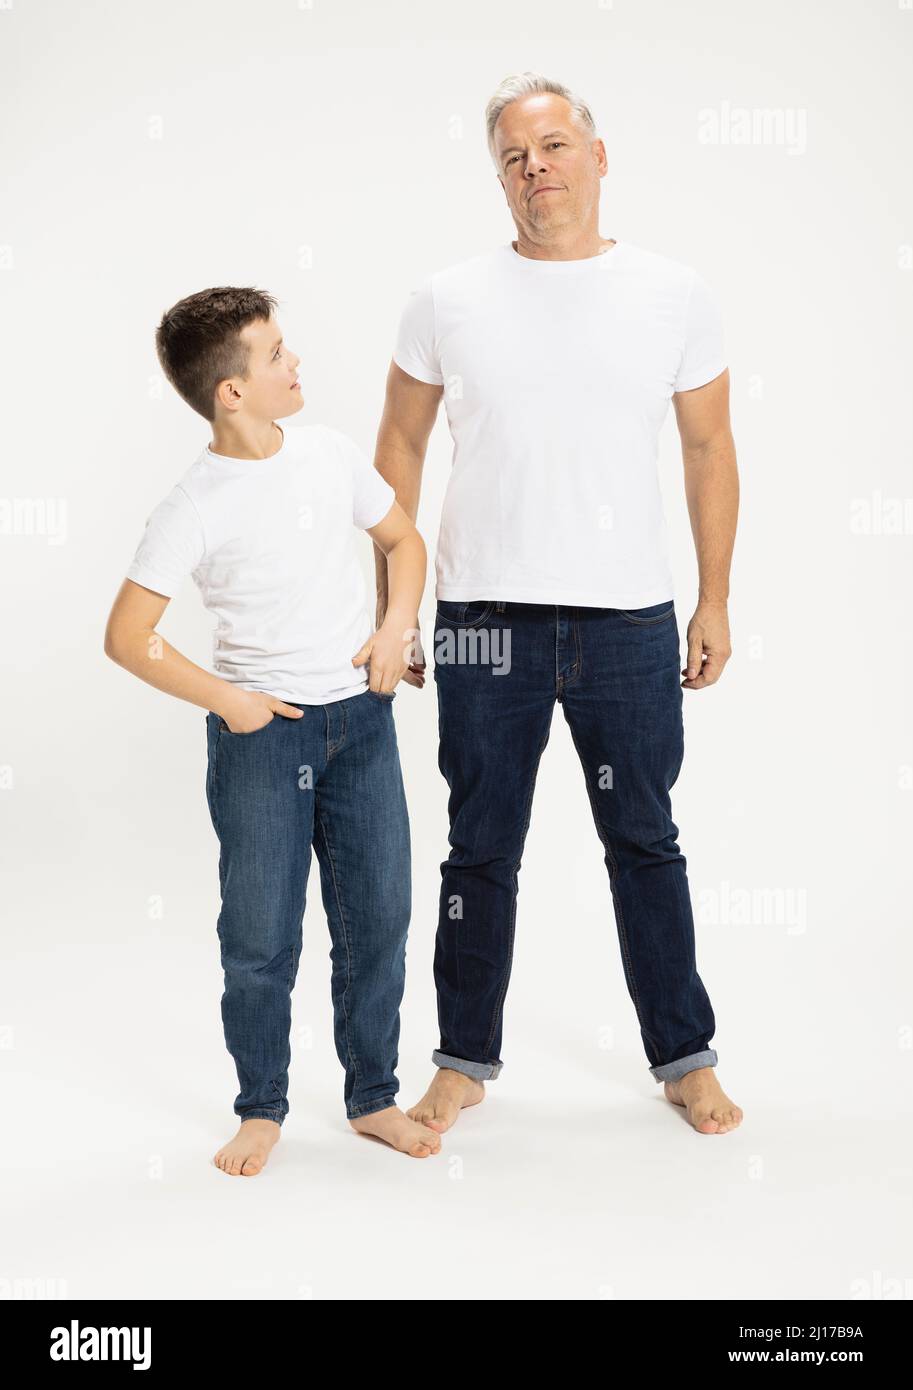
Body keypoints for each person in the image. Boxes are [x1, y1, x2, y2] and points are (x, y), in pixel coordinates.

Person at [373, 72, 744, 1137]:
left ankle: (684, 1055)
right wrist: (395, 610)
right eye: (513, 156)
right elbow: (396, 449)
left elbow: (710, 447)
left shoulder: (673, 292)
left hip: (626, 620)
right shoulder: (445, 297)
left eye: (551, 146)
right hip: (484, 619)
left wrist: (713, 598)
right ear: (499, 177)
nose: (535, 168)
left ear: (597, 155)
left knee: (645, 839)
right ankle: (461, 1059)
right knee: (477, 846)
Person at [104, 286, 437, 1173]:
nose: (297, 364)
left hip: (361, 723)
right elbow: (127, 637)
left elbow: (405, 544)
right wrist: (227, 699)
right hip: (262, 740)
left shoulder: (328, 456)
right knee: (259, 935)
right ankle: (261, 1107)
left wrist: (395, 628)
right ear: (232, 392)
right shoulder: (192, 505)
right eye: (278, 353)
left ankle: (373, 1096)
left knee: (380, 915)